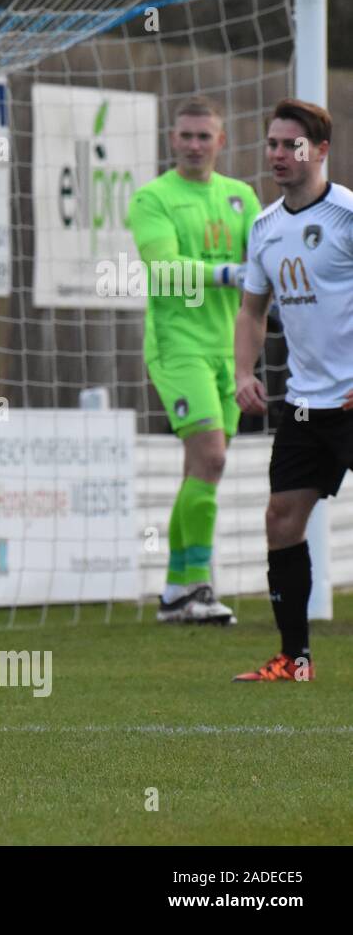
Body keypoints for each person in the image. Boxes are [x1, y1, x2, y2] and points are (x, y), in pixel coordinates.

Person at [127, 95, 261, 625]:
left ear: (221, 141)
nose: (194, 144)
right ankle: (197, 584)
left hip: (230, 348)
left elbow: (265, 256)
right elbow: (162, 268)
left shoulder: (241, 196)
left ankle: (177, 591)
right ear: (172, 139)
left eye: (204, 136)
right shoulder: (152, 197)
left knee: (200, 468)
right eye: (185, 135)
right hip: (177, 344)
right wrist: (230, 273)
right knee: (213, 457)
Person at [233, 98, 353, 682]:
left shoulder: (348, 215)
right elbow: (252, 309)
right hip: (306, 406)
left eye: (291, 145)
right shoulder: (263, 227)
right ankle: (294, 657)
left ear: (321, 150)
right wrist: (242, 372)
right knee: (282, 518)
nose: (278, 154)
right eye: (273, 144)